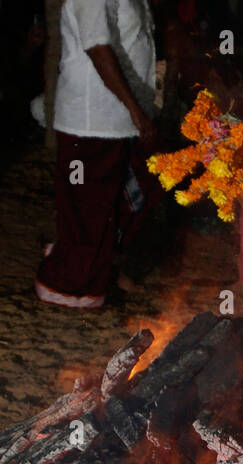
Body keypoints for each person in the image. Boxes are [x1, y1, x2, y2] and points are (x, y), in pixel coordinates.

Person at [35, 0, 163, 308]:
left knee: (132, 197)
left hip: (121, 118)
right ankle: (66, 287)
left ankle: (102, 270)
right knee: (87, 211)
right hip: (91, 118)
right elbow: (97, 48)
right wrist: (136, 110)